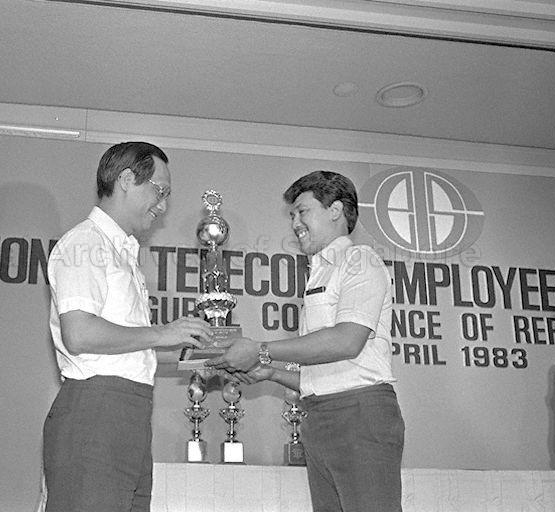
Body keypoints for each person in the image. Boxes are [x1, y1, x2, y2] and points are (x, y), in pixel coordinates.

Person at [206, 170, 404, 512]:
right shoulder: (318, 271)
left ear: (336, 210)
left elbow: (346, 341)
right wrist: (270, 372)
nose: (295, 223)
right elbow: (325, 374)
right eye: (292, 215)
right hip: (320, 416)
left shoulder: (359, 260)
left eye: (302, 211)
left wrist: (261, 350)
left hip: (359, 415)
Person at [42, 141, 213, 512]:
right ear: (126, 179)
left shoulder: (123, 253)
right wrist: (163, 333)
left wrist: (201, 360)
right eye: (160, 191)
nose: (163, 206)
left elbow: (129, 355)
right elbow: (79, 334)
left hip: (130, 415)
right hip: (95, 413)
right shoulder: (86, 242)